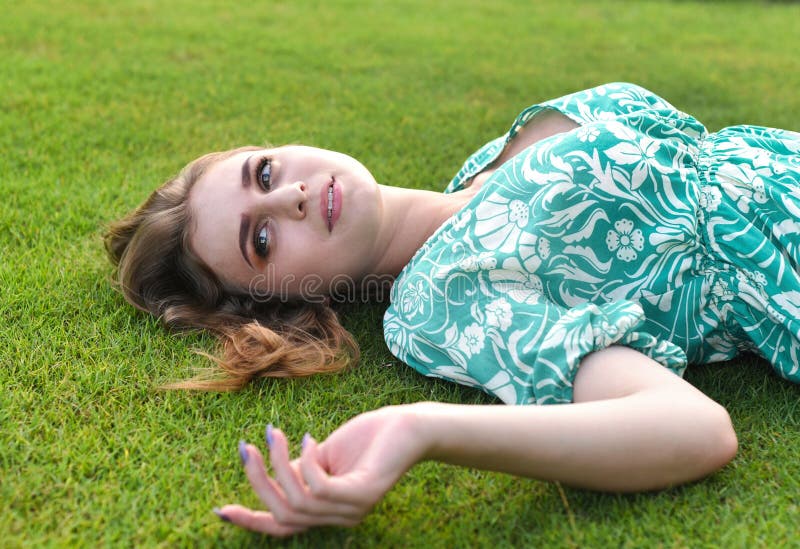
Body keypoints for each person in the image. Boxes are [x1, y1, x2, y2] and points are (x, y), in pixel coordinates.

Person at [105, 82, 800, 536]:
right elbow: (693, 428)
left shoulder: (485, 165)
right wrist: (422, 428)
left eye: (263, 171)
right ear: (288, 298)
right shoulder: (444, 299)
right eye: (260, 239)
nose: (285, 196)